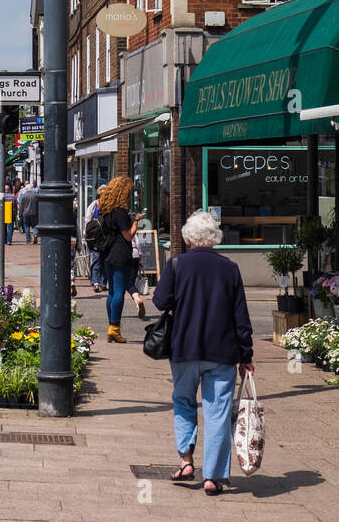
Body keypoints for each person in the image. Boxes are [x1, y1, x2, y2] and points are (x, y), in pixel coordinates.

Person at [152, 210, 253, 497]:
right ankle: (213, 477)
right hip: (222, 352)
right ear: (215, 238)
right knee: (217, 412)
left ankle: (186, 460)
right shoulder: (230, 268)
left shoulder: (177, 265)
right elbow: (241, 317)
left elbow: (160, 302)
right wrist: (246, 356)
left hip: (184, 348)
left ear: (188, 237)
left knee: (183, 401)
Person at [96, 176, 145, 343]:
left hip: (107, 253)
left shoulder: (106, 209)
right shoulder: (120, 212)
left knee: (111, 292)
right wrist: (136, 222)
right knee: (119, 291)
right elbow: (128, 236)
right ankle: (114, 328)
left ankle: (112, 326)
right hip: (120, 254)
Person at [85, 185, 107, 293]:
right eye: (102, 194)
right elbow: (88, 219)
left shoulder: (110, 205)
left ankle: (103, 283)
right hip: (95, 237)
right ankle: (95, 282)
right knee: (97, 258)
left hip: (106, 236)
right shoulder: (94, 205)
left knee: (105, 260)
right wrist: (87, 233)